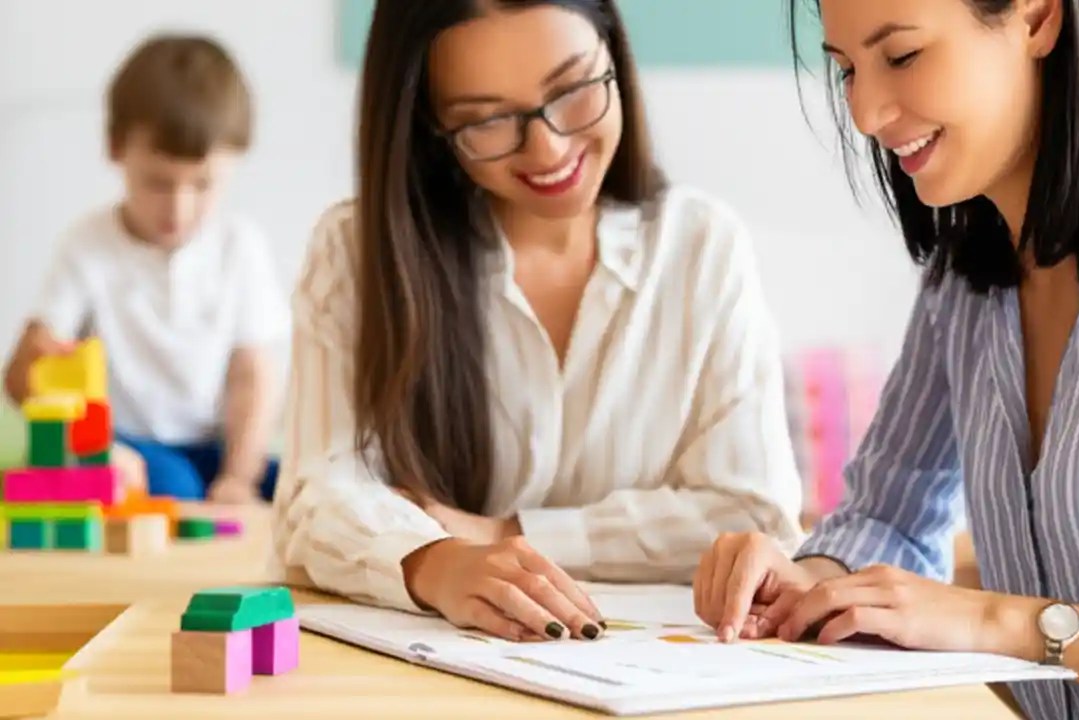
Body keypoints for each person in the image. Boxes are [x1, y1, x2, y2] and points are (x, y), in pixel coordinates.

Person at [694, 1, 1079, 718]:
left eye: (902, 56)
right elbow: (891, 520)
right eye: (846, 69)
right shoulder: (966, 267)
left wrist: (1003, 623)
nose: (867, 114)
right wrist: (802, 577)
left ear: (1036, 18)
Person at [270, 0, 804, 644]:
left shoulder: (700, 247)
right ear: (428, 127)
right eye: (486, 120)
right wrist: (434, 562)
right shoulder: (357, 252)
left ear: (614, 57)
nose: (548, 148)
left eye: (574, 89)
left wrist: (504, 532)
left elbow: (755, 516)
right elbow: (314, 502)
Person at [2, 35, 289, 504]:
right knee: (172, 486)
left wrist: (239, 477)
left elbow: (253, 376)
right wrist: (91, 442)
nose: (179, 206)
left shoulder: (240, 247)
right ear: (116, 149)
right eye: (158, 182)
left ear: (235, 160)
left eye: (203, 183)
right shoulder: (88, 245)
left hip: (213, 448)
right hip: (128, 446)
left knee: (298, 488)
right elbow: (20, 373)